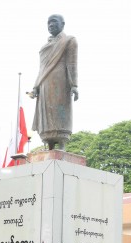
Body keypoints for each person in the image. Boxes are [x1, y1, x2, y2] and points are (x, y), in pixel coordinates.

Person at [30, 14, 78, 151]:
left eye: (54, 22)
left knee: (60, 112)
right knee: (46, 112)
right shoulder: (45, 47)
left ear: (63, 24)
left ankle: (62, 143)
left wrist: (74, 84)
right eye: (48, 23)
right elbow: (41, 68)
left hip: (61, 81)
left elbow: (72, 63)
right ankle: (49, 143)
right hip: (45, 82)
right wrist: (35, 87)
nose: (50, 25)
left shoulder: (69, 40)